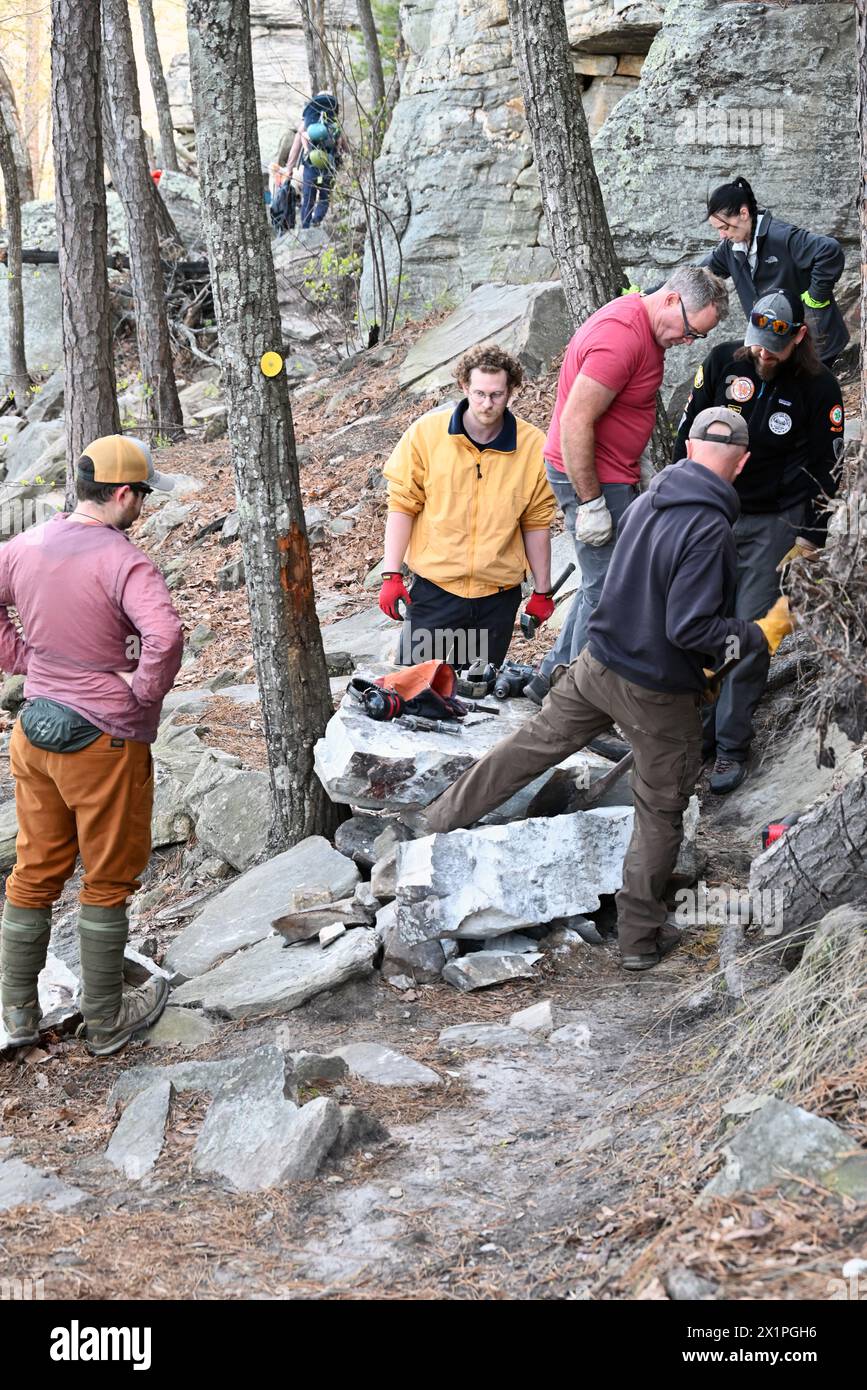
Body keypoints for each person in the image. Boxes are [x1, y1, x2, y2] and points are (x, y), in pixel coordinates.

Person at [420, 409, 791, 970]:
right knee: (659, 812)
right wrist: (756, 637)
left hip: (596, 667)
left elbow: (615, 588)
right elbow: (691, 629)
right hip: (658, 694)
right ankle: (639, 940)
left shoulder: (645, 501)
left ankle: (436, 822)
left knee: (527, 749)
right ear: (740, 464)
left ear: (689, 450)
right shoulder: (711, 527)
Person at [0, 436, 184, 1055]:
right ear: (123, 494)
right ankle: (106, 1021)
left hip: (34, 732)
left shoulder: (25, 545)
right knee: (106, 879)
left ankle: (19, 1014)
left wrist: (23, 657)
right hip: (101, 742)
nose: (144, 509)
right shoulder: (122, 560)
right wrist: (140, 695)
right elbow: (164, 634)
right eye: (143, 496)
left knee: (34, 872)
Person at [524, 266, 730, 705]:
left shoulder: (647, 328)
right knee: (609, 591)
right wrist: (591, 502)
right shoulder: (622, 336)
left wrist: (637, 460)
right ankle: (572, 697)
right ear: (672, 300)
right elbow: (575, 420)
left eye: (699, 337)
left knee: (603, 579)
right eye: (691, 331)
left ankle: (550, 676)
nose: (688, 342)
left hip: (614, 471)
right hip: (590, 477)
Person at [673, 290, 844, 793]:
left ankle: (729, 745)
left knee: (749, 632)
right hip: (710, 514)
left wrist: (811, 539)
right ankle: (691, 732)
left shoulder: (819, 386)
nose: (764, 355)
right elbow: (688, 429)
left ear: (798, 337)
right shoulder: (724, 361)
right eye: (758, 345)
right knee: (700, 624)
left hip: (773, 523)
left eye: (775, 347)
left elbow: (827, 469)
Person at [379, 344, 556, 670]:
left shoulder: (533, 447)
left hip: (495, 602)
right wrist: (391, 574)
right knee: (417, 689)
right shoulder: (426, 436)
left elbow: (536, 523)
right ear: (464, 386)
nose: (487, 404)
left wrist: (542, 592)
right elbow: (402, 505)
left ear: (511, 391)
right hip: (436, 594)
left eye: (497, 395)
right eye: (479, 394)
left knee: (475, 699)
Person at [702, 175, 848, 366]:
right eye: (718, 229)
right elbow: (697, 272)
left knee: (815, 393)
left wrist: (816, 298)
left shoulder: (781, 236)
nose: (722, 235)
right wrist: (654, 294)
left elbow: (830, 250)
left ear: (744, 214)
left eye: (724, 227)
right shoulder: (730, 249)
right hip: (777, 342)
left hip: (816, 343)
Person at [282, 91, 345, 230]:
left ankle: (305, 227)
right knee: (324, 197)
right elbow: (342, 144)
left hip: (310, 164)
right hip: (328, 164)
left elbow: (295, 147)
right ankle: (316, 221)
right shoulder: (333, 123)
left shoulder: (307, 122)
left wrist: (289, 168)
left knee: (308, 198)